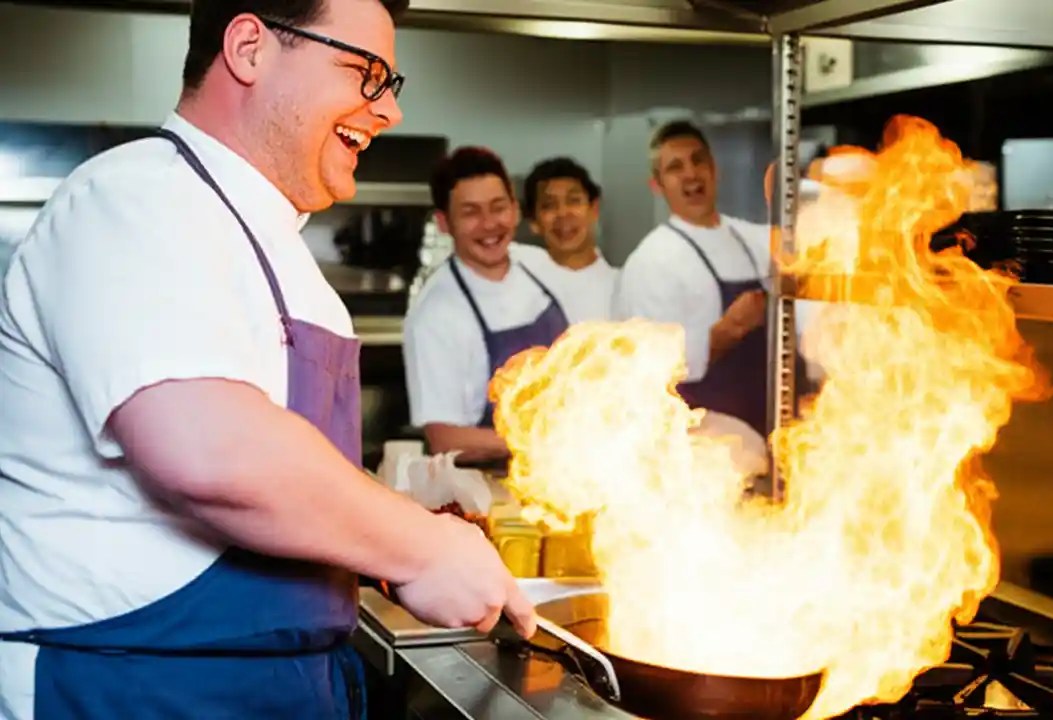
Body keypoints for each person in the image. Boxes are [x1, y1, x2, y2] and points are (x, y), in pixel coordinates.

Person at [0, 2, 534, 718]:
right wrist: (419, 547)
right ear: (250, 48)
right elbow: (210, 449)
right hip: (136, 687)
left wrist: (385, 536)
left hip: (270, 683)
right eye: (365, 73)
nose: (387, 111)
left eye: (390, 83)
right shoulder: (137, 197)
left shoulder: (273, 244)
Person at [614, 120, 792, 441]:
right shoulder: (652, 261)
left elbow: (808, 246)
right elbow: (651, 366)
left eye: (698, 161)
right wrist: (728, 330)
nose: (691, 174)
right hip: (703, 445)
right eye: (675, 167)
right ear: (657, 185)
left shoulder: (749, 237)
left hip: (769, 429)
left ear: (714, 169)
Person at [403, 147, 570, 464]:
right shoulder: (435, 315)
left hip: (564, 469)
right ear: (444, 222)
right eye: (470, 212)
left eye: (498, 207)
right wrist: (543, 442)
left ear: (516, 209)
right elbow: (445, 438)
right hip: (487, 486)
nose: (489, 224)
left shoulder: (540, 266)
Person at [520, 156, 617, 322]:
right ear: (534, 222)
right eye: (549, 205)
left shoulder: (622, 285)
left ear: (594, 209)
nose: (563, 213)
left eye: (574, 201)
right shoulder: (519, 277)